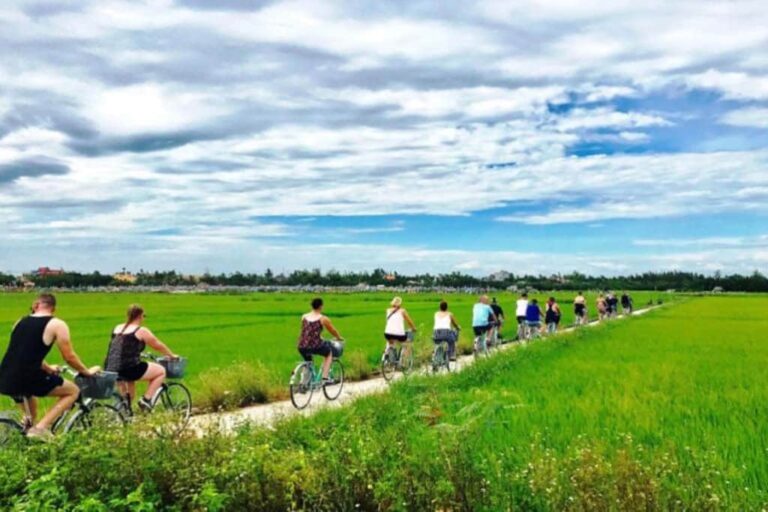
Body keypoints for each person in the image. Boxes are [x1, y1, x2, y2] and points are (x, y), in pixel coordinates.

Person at [0, 293, 99, 439]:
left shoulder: (20, 322)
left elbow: (25, 354)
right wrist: (87, 372)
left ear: (36, 305)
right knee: (73, 391)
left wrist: (49, 369)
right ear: (54, 309)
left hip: (5, 375)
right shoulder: (57, 324)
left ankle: (25, 439)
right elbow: (69, 357)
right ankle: (41, 429)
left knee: (30, 418)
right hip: (28, 377)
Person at [105, 304, 179, 410]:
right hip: (129, 368)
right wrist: (171, 355)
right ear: (140, 316)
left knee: (127, 397)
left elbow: (119, 348)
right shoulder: (141, 330)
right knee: (161, 371)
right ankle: (146, 399)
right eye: (144, 316)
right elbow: (157, 345)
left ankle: (125, 417)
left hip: (111, 367)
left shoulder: (117, 328)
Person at [297, 298, 343, 382]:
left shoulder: (304, 317)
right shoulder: (323, 319)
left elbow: (305, 331)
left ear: (311, 306)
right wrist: (338, 337)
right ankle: (325, 378)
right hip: (315, 345)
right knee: (329, 353)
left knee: (308, 362)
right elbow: (333, 331)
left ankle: (303, 383)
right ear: (321, 306)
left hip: (302, 345)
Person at [384, 297, 417, 362]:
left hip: (387, 333)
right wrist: (413, 328)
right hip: (399, 334)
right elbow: (409, 321)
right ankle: (404, 361)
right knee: (407, 343)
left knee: (391, 343)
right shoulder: (402, 311)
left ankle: (389, 358)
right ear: (400, 304)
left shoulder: (387, 310)